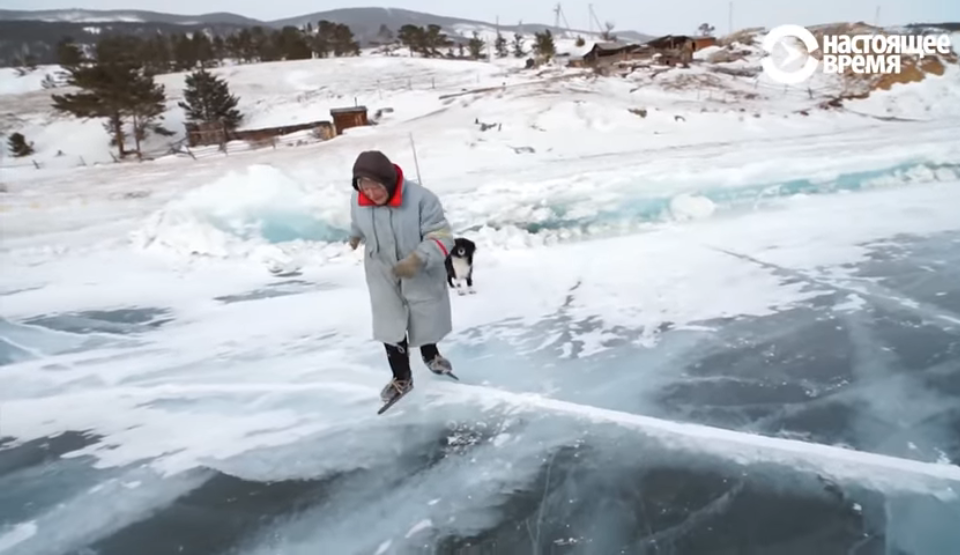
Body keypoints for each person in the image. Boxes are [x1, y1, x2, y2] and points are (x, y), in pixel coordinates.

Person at [347, 150, 456, 404]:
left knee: (424, 316)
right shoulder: (358, 199)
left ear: (388, 180)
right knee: (390, 323)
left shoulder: (422, 199)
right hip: (381, 270)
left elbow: (442, 236)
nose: (370, 194)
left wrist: (418, 259)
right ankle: (402, 377)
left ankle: (430, 355)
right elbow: (357, 221)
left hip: (419, 267)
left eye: (376, 186)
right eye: (364, 187)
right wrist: (355, 235)